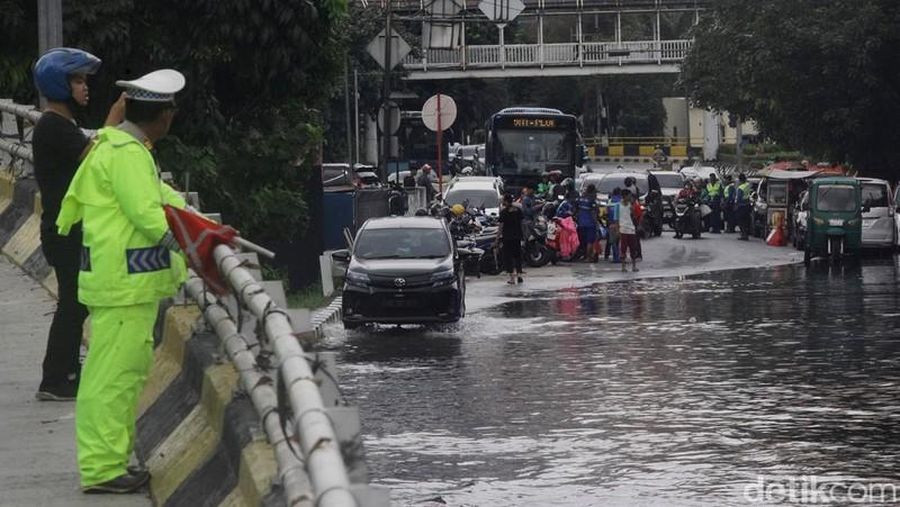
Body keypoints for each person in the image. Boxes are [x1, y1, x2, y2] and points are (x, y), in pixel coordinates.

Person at [56, 69, 189, 494]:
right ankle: (102, 469)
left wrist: (197, 223)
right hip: (123, 287)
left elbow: (159, 198)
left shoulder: (117, 145)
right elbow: (147, 215)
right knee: (113, 379)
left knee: (118, 376)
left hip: (120, 286)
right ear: (164, 115)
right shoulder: (128, 154)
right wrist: (194, 247)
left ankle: (109, 462)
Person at [32, 48, 126, 401]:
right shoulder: (54, 126)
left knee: (76, 301)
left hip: (66, 229)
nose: (84, 87)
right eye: (77, 80)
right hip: (64, 230)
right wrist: (114, 120)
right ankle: (56, 378)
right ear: (59, 83)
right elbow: (96, 158)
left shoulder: (60, 125)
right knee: (73, 302)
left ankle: (63, 373)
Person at [498, 194, 524, 284]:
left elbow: (501, 227)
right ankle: (519, 275)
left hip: (507, 238)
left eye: (503, 200)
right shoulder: (518, 210)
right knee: (518, 256)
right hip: (517, 237)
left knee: (508, 257)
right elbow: (522, 223)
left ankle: (512, 278)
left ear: (505, 201)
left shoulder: (504, 212)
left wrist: (497, 239)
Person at [618, 189, 643, 272]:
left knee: (633, 248)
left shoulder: (632, 205)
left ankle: (633, 266)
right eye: (629, 195)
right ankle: (623, 267)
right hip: (623, 229)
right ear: (625, 196)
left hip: (631, 229)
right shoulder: (618, 205)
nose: (630, 197)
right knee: (623, 249)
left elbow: (636, 215)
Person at [575, 184, 599, 262]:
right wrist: (596, 223)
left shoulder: (580, 199)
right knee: (590, 241)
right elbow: (593, 213)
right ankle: (589, 257)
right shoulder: (592, 200)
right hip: (590, 224)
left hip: (580, 223)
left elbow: (576, 210)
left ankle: (585, 256)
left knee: (583, 241)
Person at [605, 187, 622, 262]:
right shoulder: (621, 201)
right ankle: (617, 257)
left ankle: (615, 256)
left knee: (613, 241)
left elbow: (607, 213)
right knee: (618, 241)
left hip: (611, 223)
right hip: (620, 223)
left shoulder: (609, 201)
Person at [735, 173, 753, 240]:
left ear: (740, 180)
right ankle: (746, 234)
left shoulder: (741, 187)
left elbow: (739, 197)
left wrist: (736, 205)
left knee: (740, 220)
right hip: (747, 204)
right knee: (746, 220)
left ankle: (743, 234)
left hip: (741, 205)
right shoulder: (748, 185)